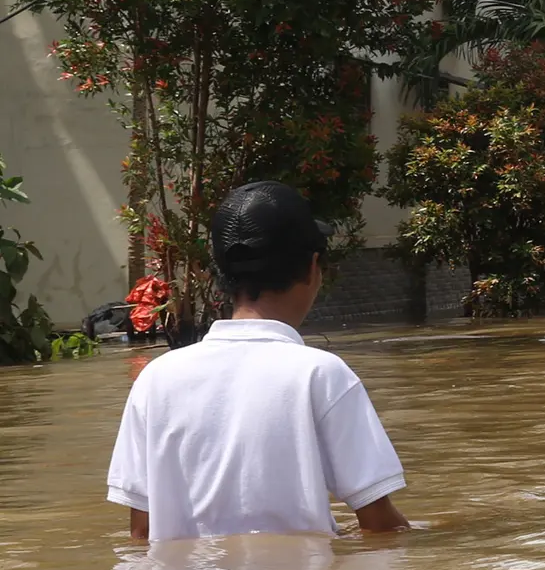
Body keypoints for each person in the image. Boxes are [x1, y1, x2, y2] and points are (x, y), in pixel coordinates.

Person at [106, 181, 410, 542]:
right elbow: (379, 526)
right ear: (314, 268)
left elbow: (141, 534)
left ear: (219, 276)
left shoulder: (156, 379)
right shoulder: (320, 374)